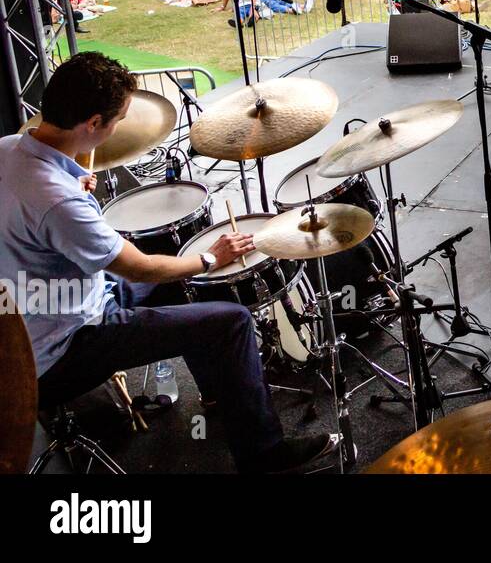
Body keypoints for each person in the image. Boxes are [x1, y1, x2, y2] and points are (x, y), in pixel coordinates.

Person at [0, 52, 338, 472]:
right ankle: (265, 456)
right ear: (92, 124)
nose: (119, 126)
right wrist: (210, 257)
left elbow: (31, 216)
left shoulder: (9, 151)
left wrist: (70, 182)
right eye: (118, 119)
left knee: (181, 284)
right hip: (63, 348)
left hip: (30, 316)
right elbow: (138, 267)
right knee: (229, 321)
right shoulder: (58, 200)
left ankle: (220, 390)